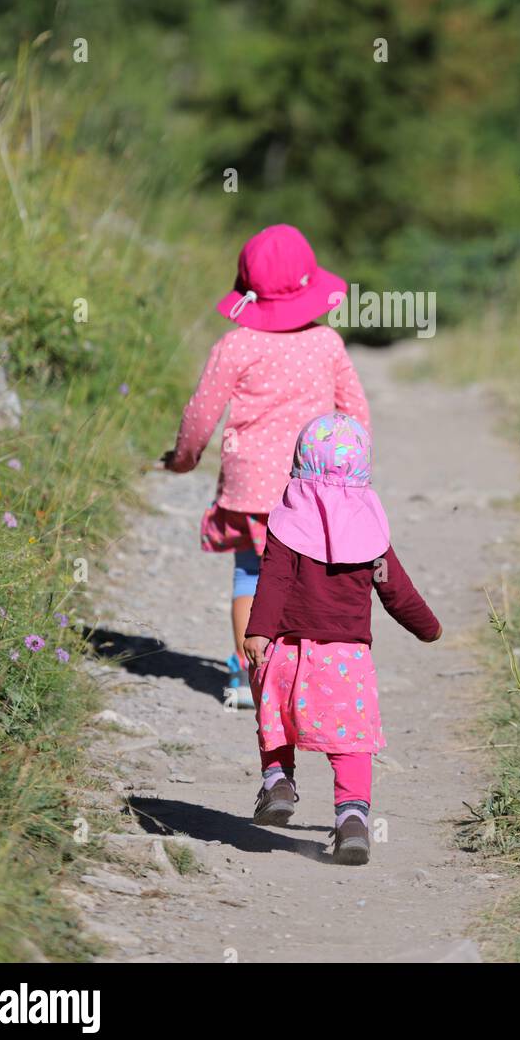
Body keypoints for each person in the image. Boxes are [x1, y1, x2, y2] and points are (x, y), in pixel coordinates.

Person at [161, 224, 370, 706]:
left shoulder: (233, 347)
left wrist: (183, 460)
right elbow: (355, 413)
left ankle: (247, 678)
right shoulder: (326, 345)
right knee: (308, 578)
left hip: (251, 488)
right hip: (315, 489)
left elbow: (199, 416)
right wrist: (354, 480)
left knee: (250, 575)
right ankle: (306, 675)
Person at [243, 412, 442, 865]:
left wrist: (258, 631)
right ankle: (351, 817)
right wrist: (427, 627)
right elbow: (396, 589)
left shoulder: (287, 525)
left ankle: (278, 780)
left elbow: (272, 580)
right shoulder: (371, 537)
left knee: (275, 712)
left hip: (287, 651)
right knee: (352, 741)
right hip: (346, 659)